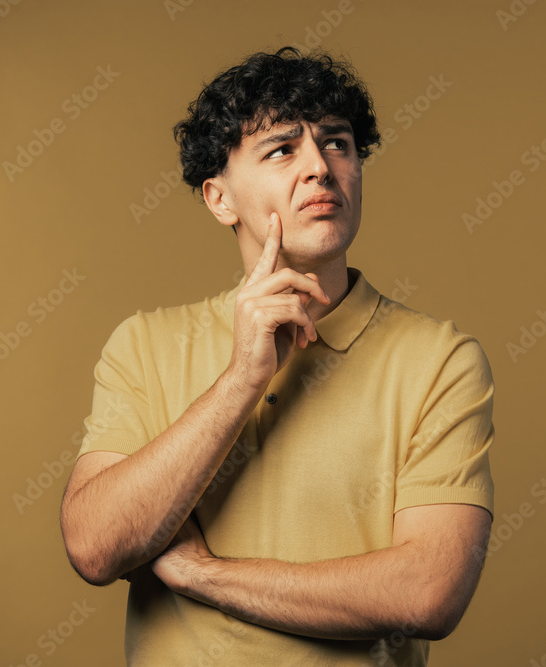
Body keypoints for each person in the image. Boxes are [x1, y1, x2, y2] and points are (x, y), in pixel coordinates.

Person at [59, 45, 495, 666]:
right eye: (282, 149)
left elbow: (428, 594)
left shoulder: (440, 360)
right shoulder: (144, 345)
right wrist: (242, 379)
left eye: (338, 143)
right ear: (220, 199)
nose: (320, 166)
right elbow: (96, 548)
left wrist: (203, 573)